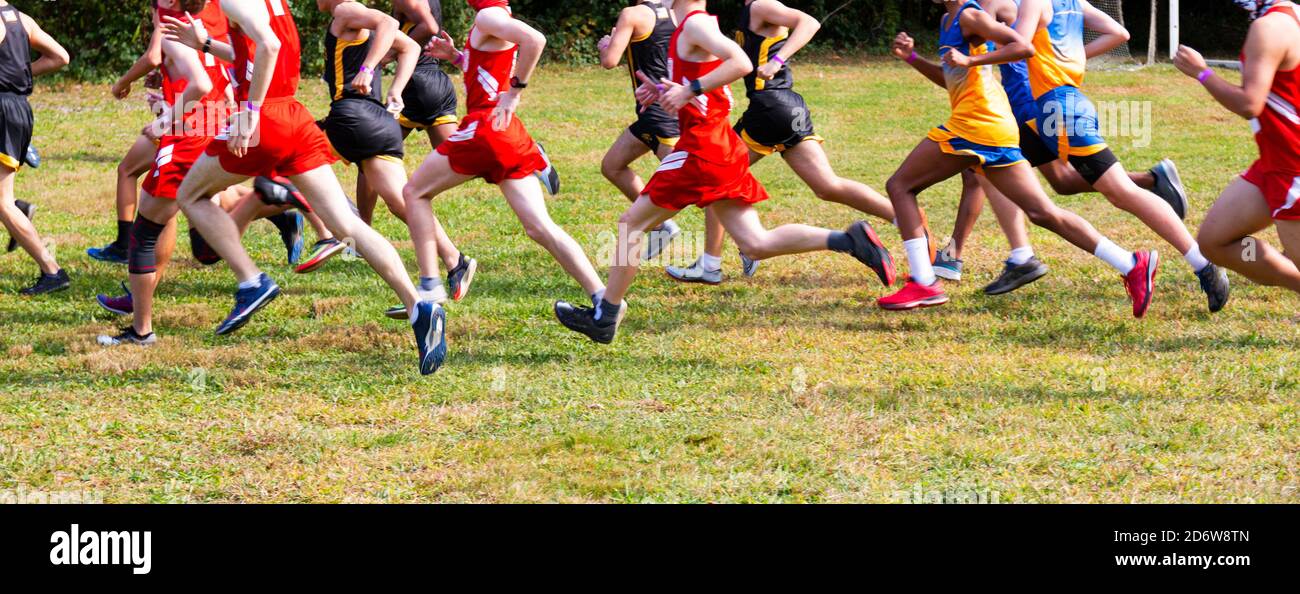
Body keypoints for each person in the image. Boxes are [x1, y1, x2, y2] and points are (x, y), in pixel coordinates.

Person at [553, 0, 896, 344]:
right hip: (718, 148)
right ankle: (849, 240)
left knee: (631, 224)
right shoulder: (689, 28)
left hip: (701, 151)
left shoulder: (696, 26)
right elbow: (708, 88)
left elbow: (741, 62)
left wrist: (689, 90)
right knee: (755, 242)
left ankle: (606, 315)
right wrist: (663, 91)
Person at [160, 0, 446, 374]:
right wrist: (207, 46)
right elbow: (260, 54)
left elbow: (270, 47)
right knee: (346, 224)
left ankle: (251, 281)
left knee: (190, 195)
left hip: (266, 119)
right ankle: (419, 307)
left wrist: (249, 112)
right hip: (293, 118)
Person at [878, 0, 1157, 317]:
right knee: (1042, 213)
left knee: (900, 185)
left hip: (976, 126)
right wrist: (912, 58)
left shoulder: (972, 16)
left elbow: (1023, 47)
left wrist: (973, 59)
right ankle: (1131, 263)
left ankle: (925, 282)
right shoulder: (948, 21)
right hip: (992, 127)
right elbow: (950, 77)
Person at [1009, 0, 1230, 312]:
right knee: (1059, 181)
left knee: (1121, 192)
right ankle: (1014, 256)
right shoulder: (1073, 3)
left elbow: (1019, 45)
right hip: (1054, 106)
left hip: (1057, 109)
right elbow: (1118, 32)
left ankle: (1201, 262)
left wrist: (972, 49)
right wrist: (1071, 58)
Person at [665, 0, 906, 285]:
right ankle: (905, 219)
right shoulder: (751, 10)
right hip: (786, 106)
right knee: (827, 186)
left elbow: (810, 22)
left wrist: (777, 61)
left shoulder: (761, 5)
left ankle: (711, 263)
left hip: (768, 109)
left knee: (718, 175)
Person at [404, 0, 601, 324]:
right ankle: (602, 302)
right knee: (540, 227)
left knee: (414, 192)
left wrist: (515, 92)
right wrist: (456, 57)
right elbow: (491, 68)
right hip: (506, 132)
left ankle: (430, 288)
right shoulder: (498, 17)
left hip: (485, 130)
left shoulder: (488, 15)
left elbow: (536, 40)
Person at [1179, 1, 1300, 297]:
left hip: (1291, 167)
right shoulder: (1292, 16)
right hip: (1272, 164)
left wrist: (1202, 73)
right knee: (1215, 241)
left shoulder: (1268, 28)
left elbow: (1249, 104)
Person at [597, 0, 683, 260]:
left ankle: (747, 241)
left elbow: (610, 61)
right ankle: (660, 225)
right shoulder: (678, 13)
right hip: (654, 112)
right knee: (612, 165)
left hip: (661, 117)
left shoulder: (633, 14)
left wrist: (605, 47)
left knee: (702, 186)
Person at [0, 0, 70, 295]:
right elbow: (60, 57)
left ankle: (51, 270)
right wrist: (21, 74)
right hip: (17, 107)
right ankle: (20, 210)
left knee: (1, 201)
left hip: (2, 110)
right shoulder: (20, 18)